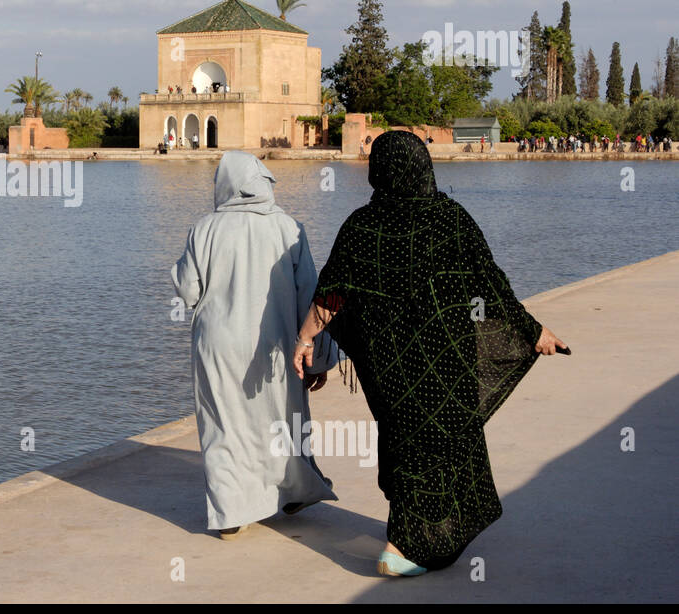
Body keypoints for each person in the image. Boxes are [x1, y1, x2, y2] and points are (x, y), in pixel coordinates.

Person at [292, 131, 567, 577]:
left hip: (390, 366)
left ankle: (411, 537)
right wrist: (534, 332)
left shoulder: (360, 226)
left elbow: (332, 297)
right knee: (442, 443)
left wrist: (305, 342)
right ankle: (404, 546)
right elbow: (491, 286)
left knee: (407, 443)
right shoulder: (450, 219)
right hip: (446, 359)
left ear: (378, 171)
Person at [173, 152, 339, 540]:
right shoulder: (288, 228)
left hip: (218, 343)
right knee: (282, 417)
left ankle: (232, 512)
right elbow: (310, 297)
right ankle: (295, 491)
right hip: (277, 345)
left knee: (225, 425)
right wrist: (317, 356)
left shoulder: (204, 229)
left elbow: (187, 290)